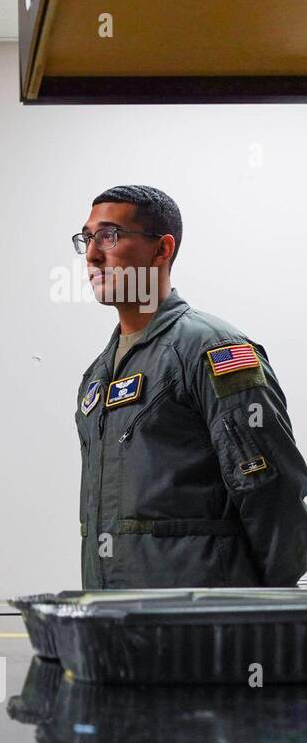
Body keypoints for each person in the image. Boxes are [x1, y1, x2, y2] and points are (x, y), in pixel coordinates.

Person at [74, 185, 307, 588]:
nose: (93, 254)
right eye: (87, 238)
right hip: (119, 622)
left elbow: (269, 488)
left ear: (162, 249)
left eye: (110, 236)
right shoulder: (99, 374)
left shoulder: (213, 349)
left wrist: (263, 608)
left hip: (200, 628)